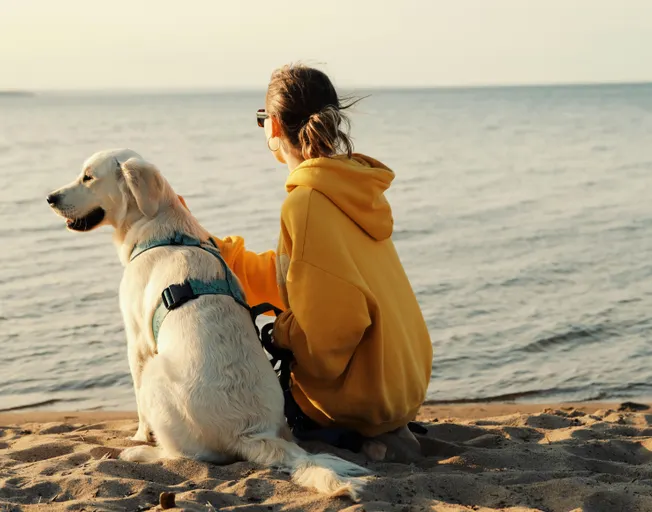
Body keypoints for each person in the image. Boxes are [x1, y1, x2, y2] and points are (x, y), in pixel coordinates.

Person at [181, 64, 432, 461]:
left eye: (262, 118)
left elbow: (334, 327)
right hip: (402, 383)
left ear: (275, 125)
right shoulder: (349, 186)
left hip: (364, 398)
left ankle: (353, 436)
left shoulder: (306, 203)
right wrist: (215, 246)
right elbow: (297, 276)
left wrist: (280, 336)